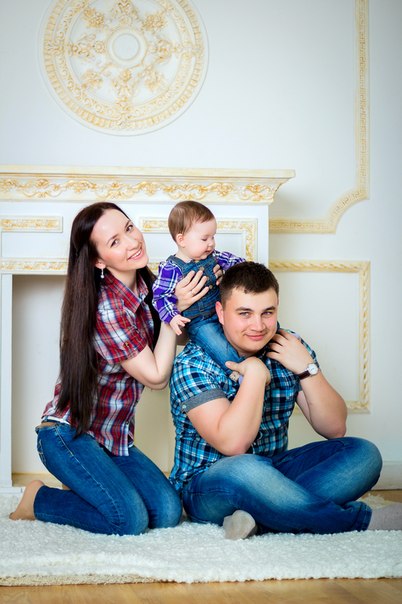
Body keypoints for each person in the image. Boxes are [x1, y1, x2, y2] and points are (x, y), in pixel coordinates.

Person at [10, 201, 209, 535]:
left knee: (167, 512)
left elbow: (179, 336)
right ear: (98, 260)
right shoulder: (107, 307)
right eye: (115, 241)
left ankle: (88, 486)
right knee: (129, 520)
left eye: (129, 228)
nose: (132, 242)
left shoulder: (149, 288)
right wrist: (171, 311)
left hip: (113, 437)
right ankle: (38, 499)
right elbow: (156, 376)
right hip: (67, 435)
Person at [169, 261, 402, 538]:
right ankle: (356, 521)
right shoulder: (193, 363)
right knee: (246, 468)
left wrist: (307, 368)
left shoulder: (288, 347)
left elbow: (334, 428)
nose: (258, 325)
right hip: (207, 487)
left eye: (267, 313)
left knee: (364, 454)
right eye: (245, 313)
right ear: (220, 312)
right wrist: (255, 375)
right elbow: (234, 444)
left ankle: (263, 516)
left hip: (275, 472)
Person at [152, 200, 245, 380]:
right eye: (204, 239)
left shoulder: (213, 256)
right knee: (220, 346)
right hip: (200, 322)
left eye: (213, 237)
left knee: (247, 328)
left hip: (223, 311)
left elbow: (237, 263)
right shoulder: (171, 268)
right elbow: (160, 297)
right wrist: (172, 316)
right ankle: (240, 373)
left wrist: (233, 274)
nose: (211, 243)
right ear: (182, 240)